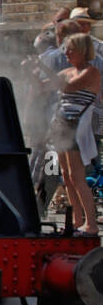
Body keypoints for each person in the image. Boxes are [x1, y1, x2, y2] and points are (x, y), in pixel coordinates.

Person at [49, 32, 101, 235]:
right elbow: (46, 86)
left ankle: (91, 224)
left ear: (81, 50)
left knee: (77, 176)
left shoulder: (91, 72)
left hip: (76, 127)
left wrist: (46, 71)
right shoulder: (68, 71)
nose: (66, 53)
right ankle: (77, 219)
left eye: (70, 48)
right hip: (61, 124)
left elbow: (68, 86)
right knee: (66, 176)